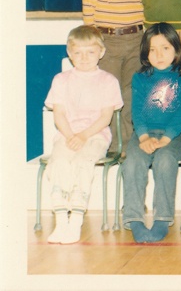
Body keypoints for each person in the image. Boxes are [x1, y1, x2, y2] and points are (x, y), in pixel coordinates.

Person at [44, 26, 123, 244]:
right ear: (69, 53)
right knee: (58, 162)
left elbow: (105, 117)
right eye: (77, 52)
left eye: (90, 52)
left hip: (95, 135)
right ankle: (61, 221)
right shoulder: (61, 79)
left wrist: (83, 136)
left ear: (101, 52)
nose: (84, 58)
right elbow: (58, 113)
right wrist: (70, 135)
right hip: (66, 134)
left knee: (82, 162)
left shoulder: (108, 81)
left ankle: (76, 220)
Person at [122, 23, 181, 243]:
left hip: (175, 135)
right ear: (145, 53)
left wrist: (166, 138)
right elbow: (138, 112)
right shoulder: (140, 77)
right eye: (152, 50)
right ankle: (134, 218)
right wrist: (143, 136)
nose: (159, 54)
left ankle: (162, 218)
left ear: (176, 49)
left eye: (165, 48)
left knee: (164, 159)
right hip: (144, 134)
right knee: (133, 160)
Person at [82, 0, 144, 154]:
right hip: (107, 41)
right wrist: (96, 45)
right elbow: (89, 18)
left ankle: (125, 145)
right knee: (108, 93)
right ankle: (105, 144)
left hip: (136, 40)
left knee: (130, 93)